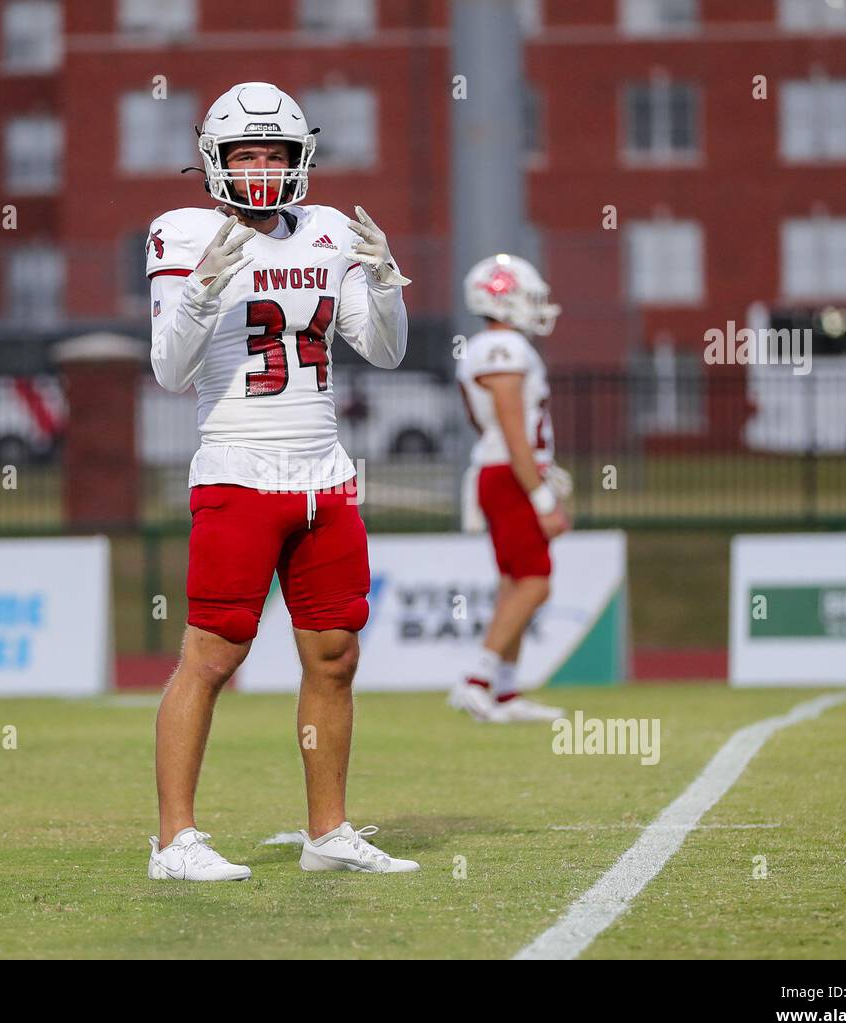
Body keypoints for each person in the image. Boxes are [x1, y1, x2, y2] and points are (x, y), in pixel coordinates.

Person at [144, 82, 418, 880]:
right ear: (214, 160)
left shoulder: (331, 231)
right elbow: (167, 369)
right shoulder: (185, 232)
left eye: (275, 153)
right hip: (238, 468)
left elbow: (386, 351)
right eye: (246, 154)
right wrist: (198, 292)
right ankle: (173, 841)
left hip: (325, 475)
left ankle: (327, 834)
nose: (261, 168)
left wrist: (388, 282)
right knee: (212, 658)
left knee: (335, 655)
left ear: (301, 160)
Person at [448, 254, 573, 724]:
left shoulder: (489, 348)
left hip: (503, 470)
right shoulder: (503, 348)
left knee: (514, 582)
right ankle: (475, 680)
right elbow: (511, 427)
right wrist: (540, 494)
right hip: (509, 472)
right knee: (536, 583)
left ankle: (503, 689)